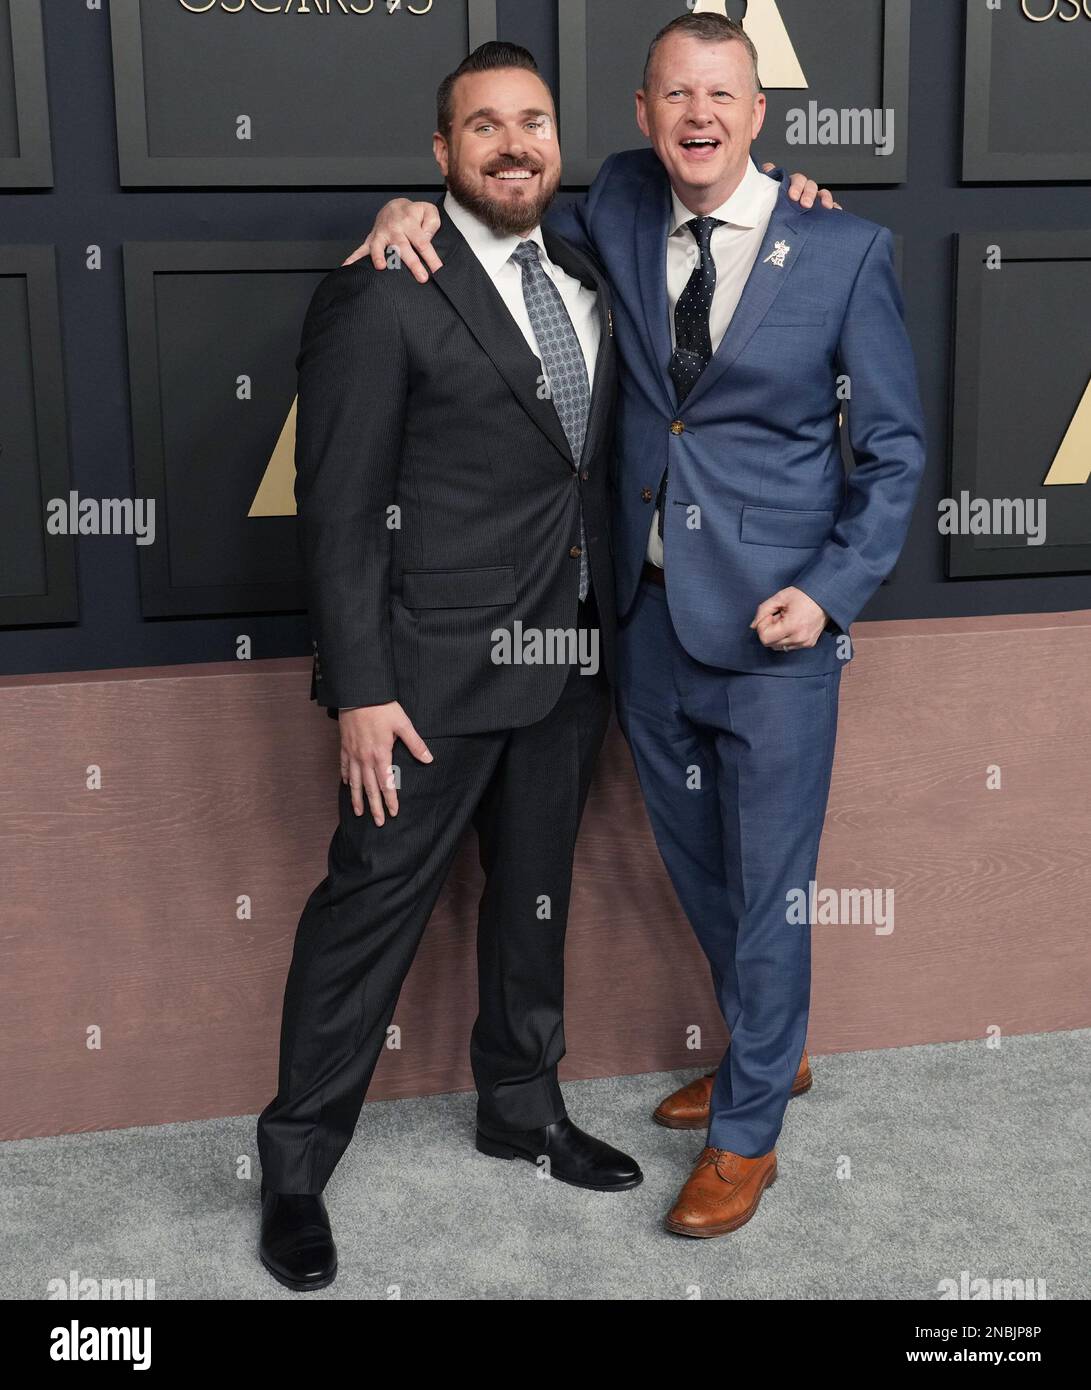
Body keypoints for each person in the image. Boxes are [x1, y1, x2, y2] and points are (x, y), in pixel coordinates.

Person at [350, 12, 925, 1239]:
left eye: (720, 95)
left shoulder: (842, 249)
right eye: (675, 96)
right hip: (645, 627)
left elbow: (892, 454)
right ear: (643, 112)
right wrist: (408, 209)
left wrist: (826, 591)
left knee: (771, 889)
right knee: (701, 870)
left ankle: (749, 1125)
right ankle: (769, 1044)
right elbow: (492, 215)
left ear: (759, 113)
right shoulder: (610, 203)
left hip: (777, 636)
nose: (697, 117)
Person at [256, 41, 640, 1292]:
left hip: (565, 660)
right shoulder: (385, 288)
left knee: (535, 898)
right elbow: (338, 506)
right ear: (440, 153)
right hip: (421, 681)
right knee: (367, 914)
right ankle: (296, 1167)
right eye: (484, 126)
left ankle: (521, 1106)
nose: (514, 144)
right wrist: (359, 689)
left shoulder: (588, 269)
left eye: (532, 122)